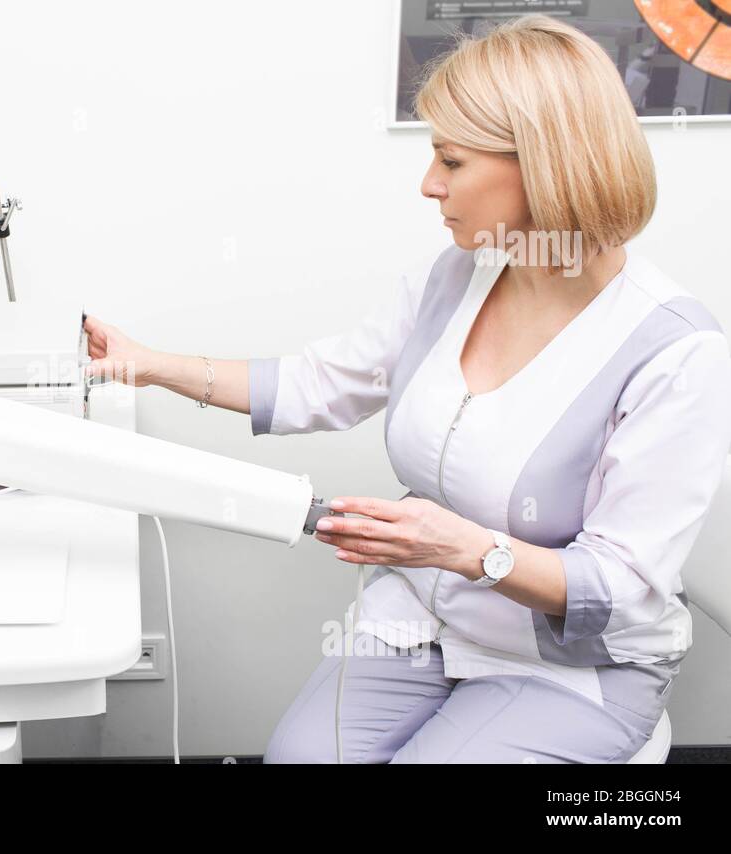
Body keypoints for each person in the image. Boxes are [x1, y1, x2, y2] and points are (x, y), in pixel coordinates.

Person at [83, 15, 731, 762]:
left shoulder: (673, 352)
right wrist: (151, 363)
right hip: (424, 622)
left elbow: (620, 583)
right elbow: (317, 383)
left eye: (451, 162)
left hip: (576, 668)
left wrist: (470, 550)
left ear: (545, 166)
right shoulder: (454, 278)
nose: (429, 185)